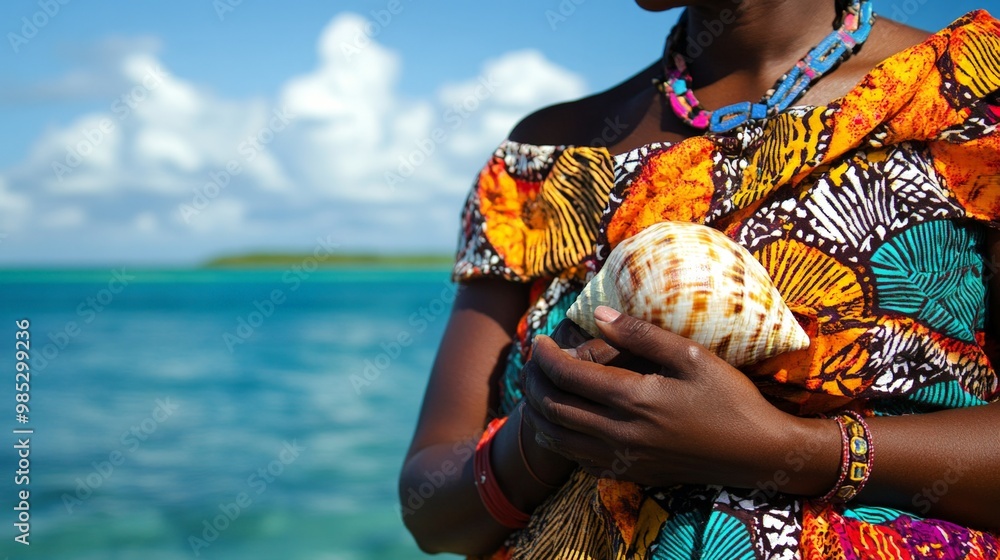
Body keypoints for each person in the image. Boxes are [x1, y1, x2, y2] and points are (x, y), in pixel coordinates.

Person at [400, 0, 1000, 557]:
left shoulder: (974, 91)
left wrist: (791, 451)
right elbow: (431, 513)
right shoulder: (542, 157)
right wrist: (545, 432)